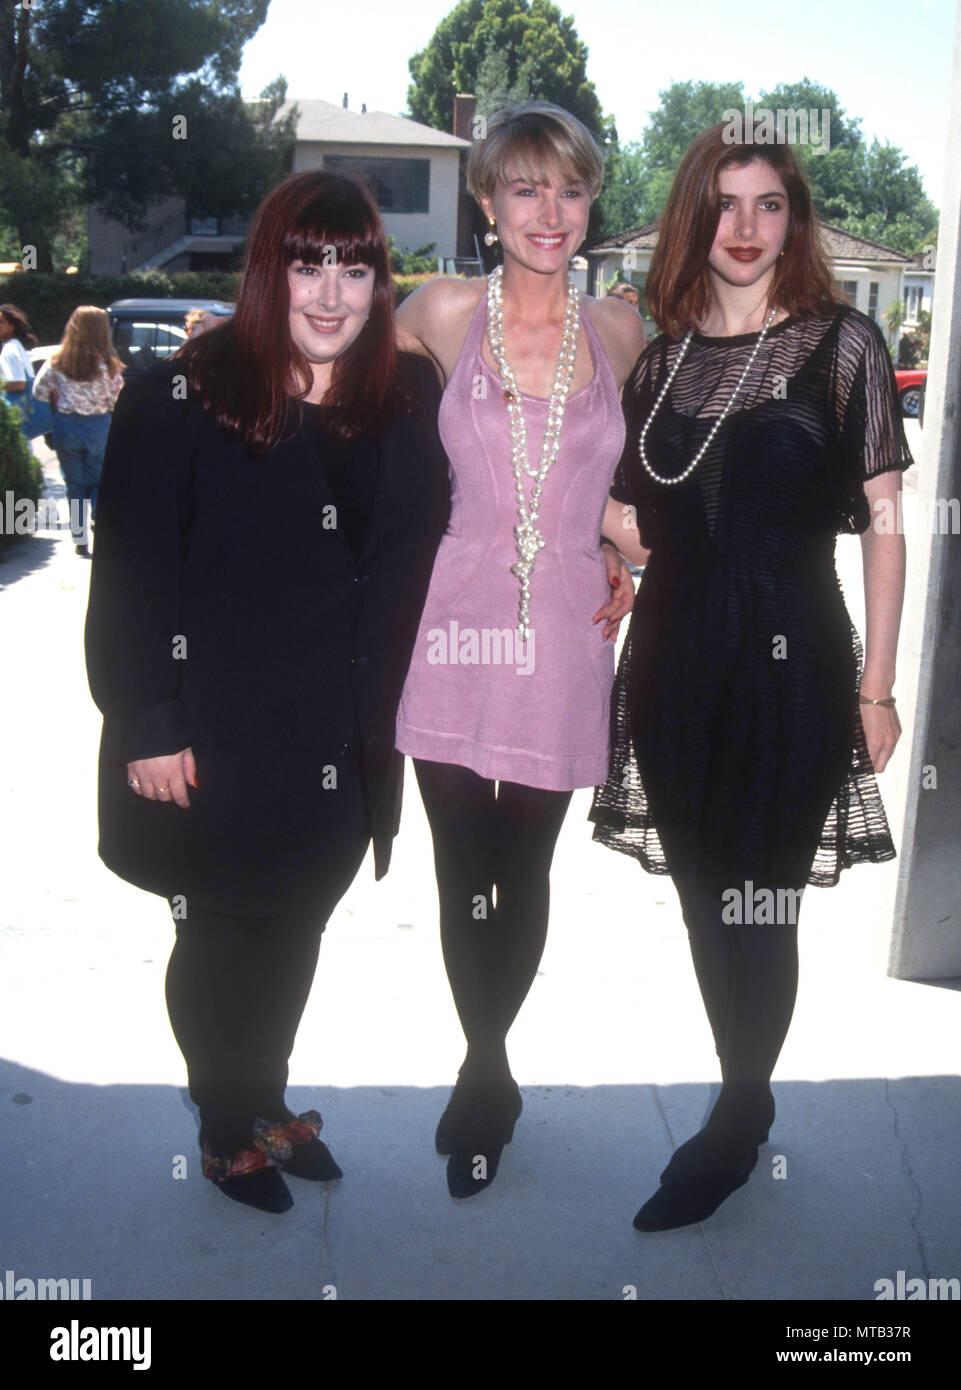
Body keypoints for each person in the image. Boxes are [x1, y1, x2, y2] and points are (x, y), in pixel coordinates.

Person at [84, 170, 451, 1214]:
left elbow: (447, 535)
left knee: (296, 926)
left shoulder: (405, 396)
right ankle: (221, 1120)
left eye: (355, 265)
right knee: (219, 932)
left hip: (343, 737)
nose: (330, 292)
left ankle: (263, 1096)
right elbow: (133, 571)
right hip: (213, 732)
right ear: (266, 272)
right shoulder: (182, 393)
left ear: (381, 280)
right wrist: (146, 719)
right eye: (305, 264)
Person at [591, 125, 909, 1231]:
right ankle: (746, 1087)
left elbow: (881, 524)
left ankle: (734, 1118)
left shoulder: (843, 347)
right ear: (692, 215)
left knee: (756, 906)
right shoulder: (660, 360)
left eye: (768, 204)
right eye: (724, 204)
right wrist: (609, 544)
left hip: (793, 669)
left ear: (795, 219)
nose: (744, 227)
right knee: (699, 901)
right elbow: (624, 500)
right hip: (673, 668)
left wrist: (876, 688)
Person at [395, 101, 643, 1198]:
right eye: (527, 189)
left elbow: (665, 464)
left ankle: (489, 1063)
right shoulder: (440, 310)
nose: (552, 211)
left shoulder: (624, 330)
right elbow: (324, 378)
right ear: (488, 204)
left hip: (564, 632)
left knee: (522, 865)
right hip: (449, 618)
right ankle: (483, 1069)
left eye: (572, 188)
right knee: (462, 870)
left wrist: (630, 534)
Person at [32, 306, 125, 556]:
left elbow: (38, 391)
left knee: (74, 484)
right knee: (98, 481)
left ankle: (80, 537)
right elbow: (117, 399)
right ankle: (98, 521)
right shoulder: (109, 364)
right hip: (99, 426)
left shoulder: (58, 361)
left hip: (67, 424)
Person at [0, 303, 42, 440]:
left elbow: (19, 383)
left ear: (12, 326)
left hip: (19, 413)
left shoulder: (10, 349)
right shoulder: (14, 345)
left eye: (1, 322)